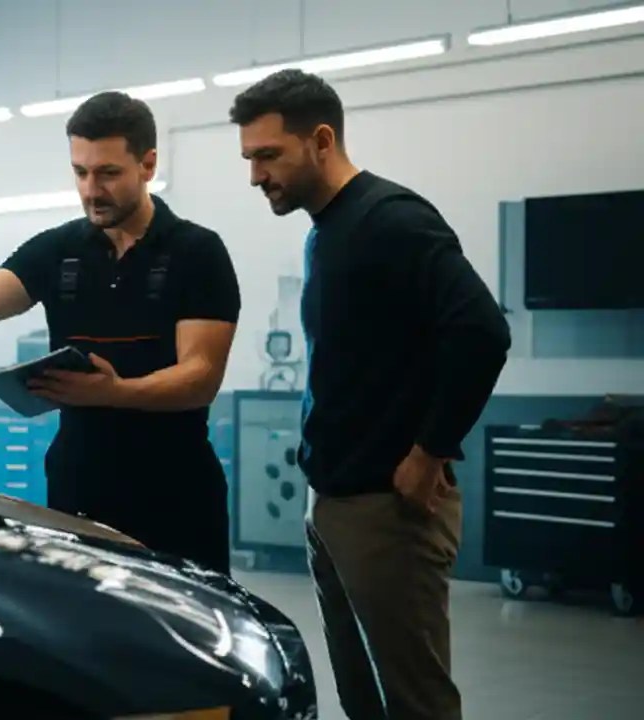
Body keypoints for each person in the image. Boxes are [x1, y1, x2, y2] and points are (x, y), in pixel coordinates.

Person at [228, 68, 511, 720]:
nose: (255, 176)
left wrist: (431, 450)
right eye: (249, 158)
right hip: (334, 503)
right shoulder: (325, 232)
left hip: (388, 512)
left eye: (268, 156)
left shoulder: (392, 220)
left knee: (415, 703)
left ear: (321, 140)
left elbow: (481, 330)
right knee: (362, 700)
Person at [0, 91, 241, 574]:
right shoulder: (59, 251)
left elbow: (200, 375)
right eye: (80, 172)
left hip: (175, 493)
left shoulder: (197, 253)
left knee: (187, 641)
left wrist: (114, 392)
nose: (91, 190)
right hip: (79, 489)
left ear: (147, 165)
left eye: (108, 173)